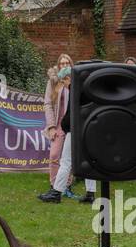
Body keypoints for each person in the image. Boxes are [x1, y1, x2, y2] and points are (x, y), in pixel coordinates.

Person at [38, 63, 96, 204]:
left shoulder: (74, 90)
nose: (62, 84)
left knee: (65, 161)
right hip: (87, 129)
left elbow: (71, 114)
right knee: (88, 161)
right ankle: (90, 193)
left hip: (75, 130)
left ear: (68, 78)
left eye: (63, 81)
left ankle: (56, 192)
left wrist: (64, 125)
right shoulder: (85, 89)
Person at [44, 53, 73, 189]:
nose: (65, 65)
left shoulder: (75, 81)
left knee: (69, 156)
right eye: (62, 63)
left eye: (67, 63)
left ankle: (67, 184)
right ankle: (54, 184)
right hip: (58, 124)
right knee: (54, 154)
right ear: (58, 65)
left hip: (72, 124)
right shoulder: (53, 81)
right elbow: (48, 104)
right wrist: (51, 126)